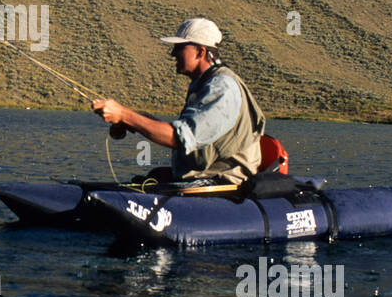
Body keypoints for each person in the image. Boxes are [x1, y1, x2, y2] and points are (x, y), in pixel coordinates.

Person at [92, 18, 265, 184]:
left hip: (223, 183)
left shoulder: (222, 87)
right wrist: (140, 118)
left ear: (200, 52)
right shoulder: (206, 83)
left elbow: (179, 138)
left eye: (179, 47)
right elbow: (190, 135)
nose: (173, 53)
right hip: (204, 177)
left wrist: (124, 115)